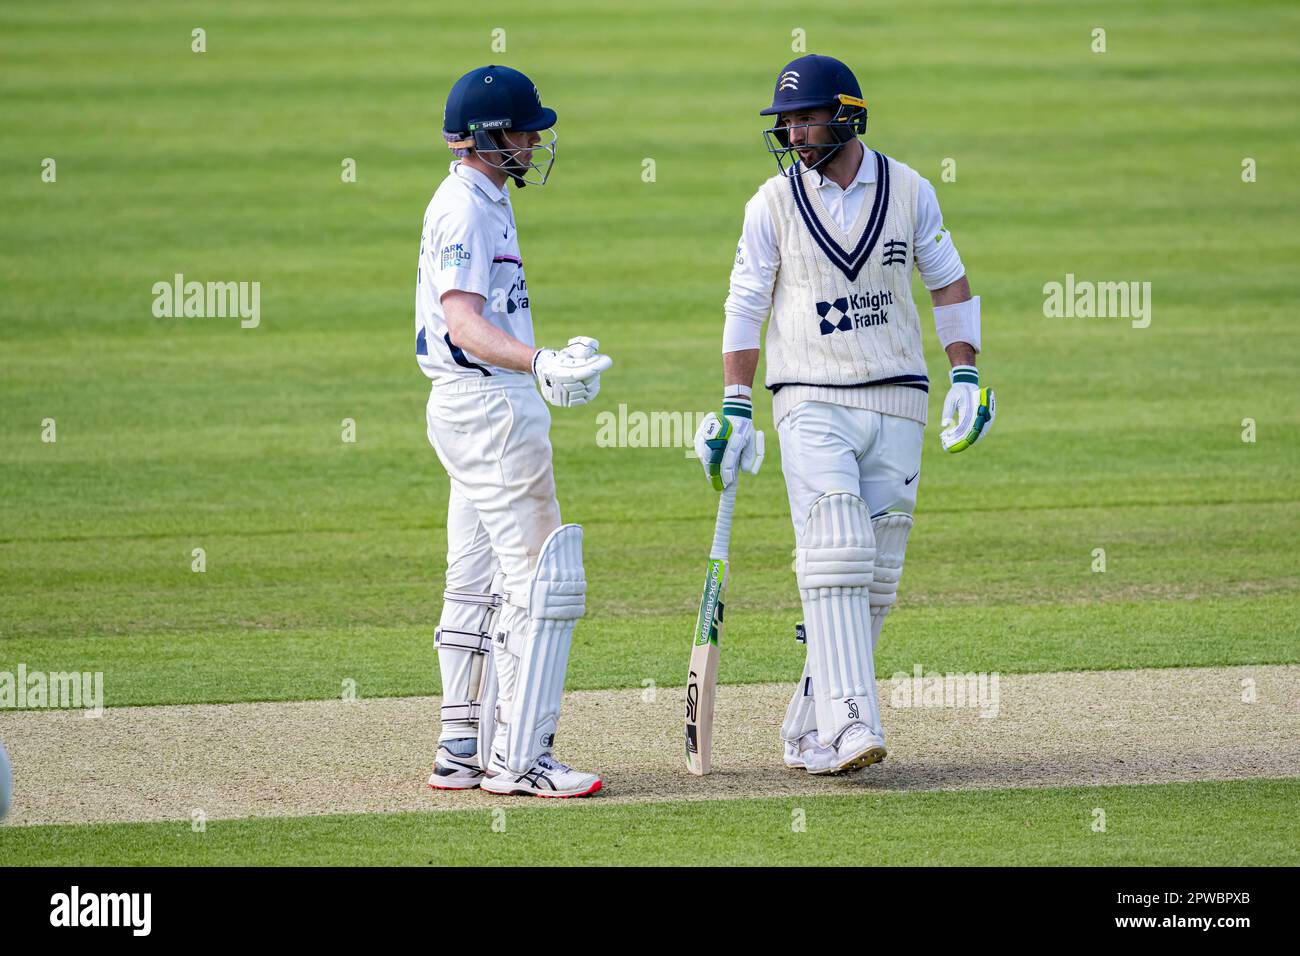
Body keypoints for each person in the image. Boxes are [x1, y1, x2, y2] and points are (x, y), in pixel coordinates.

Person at [693, 54, 996, 775]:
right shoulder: (768, 204)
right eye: (786, 121)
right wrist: (737, 406)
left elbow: (949, 283)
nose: (794, 132)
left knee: (876, 578)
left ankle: (806, 725)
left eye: (806, 117)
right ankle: (854, 723)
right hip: (809, 396)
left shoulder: (911, 189)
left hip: (899, 395)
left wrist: (966, 374)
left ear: (848, 114)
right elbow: (744, 305)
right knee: (835, 551)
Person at [417, 64, 611, 797]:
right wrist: (541, 362)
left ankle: (461, 746)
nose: (537, 139)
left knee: (472, 577)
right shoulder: (466, 208)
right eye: (528, 129)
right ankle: (522, 758)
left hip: (472, 406)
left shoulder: (482, 197)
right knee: (541, 579)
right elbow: (464, 324)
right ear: (491, 137)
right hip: (491, 407)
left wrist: (545, 355)